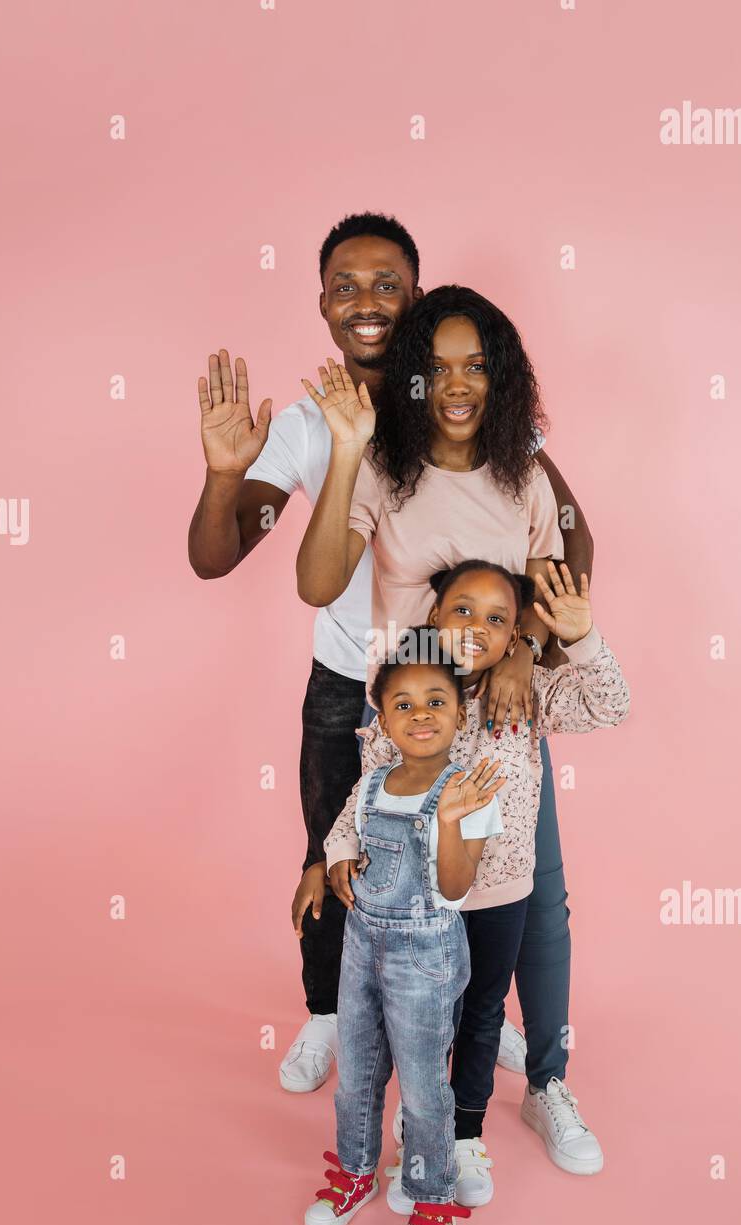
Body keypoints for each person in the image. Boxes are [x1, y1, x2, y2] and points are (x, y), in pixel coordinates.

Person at [188, 213, 593, 1092]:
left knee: (490, 867)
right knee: (339, 856)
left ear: (418, 298)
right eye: (346, 285)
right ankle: (331, 1018)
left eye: (387, 285)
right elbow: (221, 556)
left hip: (476, 691)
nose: (366, 302)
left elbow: (570, 541)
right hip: (353, 682)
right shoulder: (308, 426)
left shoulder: (473, 412)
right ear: (323, 304)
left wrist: (525, 642)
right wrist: (226, 475)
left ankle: (475, 1028)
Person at [296, 286, 606, 1171]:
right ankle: (418, 1118)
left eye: (478, 366)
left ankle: (542, 1081)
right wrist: (350, 452)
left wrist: (525, 653)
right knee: (414, 917)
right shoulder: (386, 468)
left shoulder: (522, 473)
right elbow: (318, 584)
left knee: (534, 903)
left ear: (501, 377)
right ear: (414, 379)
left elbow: (552, 583)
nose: (459, 384)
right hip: (409, 727)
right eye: (438, 367)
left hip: (504, 726)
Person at [324, 560, 630, 1208]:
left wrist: (581, 639)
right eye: (463, 610)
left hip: (501, 894)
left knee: (483, 1014)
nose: (477, 627)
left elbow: (611, 705)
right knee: (424, 1019)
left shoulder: (529, 693)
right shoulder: (413, 690)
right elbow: (369, 782)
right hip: (420, 899)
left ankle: (462, 1134)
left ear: (516, 632)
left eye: (498, 619)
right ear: (435, 617)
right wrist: (343, 846)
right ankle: (419, 1130)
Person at [303, 630, 506, 1225]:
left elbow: (452, 886)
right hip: (362, 947)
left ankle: (431, 1200)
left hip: (425, 956)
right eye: (405, 704)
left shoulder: (468, 791)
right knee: (357, 1070)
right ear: (382, 715)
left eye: (436, 702)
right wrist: (336, 861)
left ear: (459, 713)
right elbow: (350, 839)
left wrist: (448, 820)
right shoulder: (373, 782)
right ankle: (357, 1171)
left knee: (422, 1089)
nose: (420, 716)